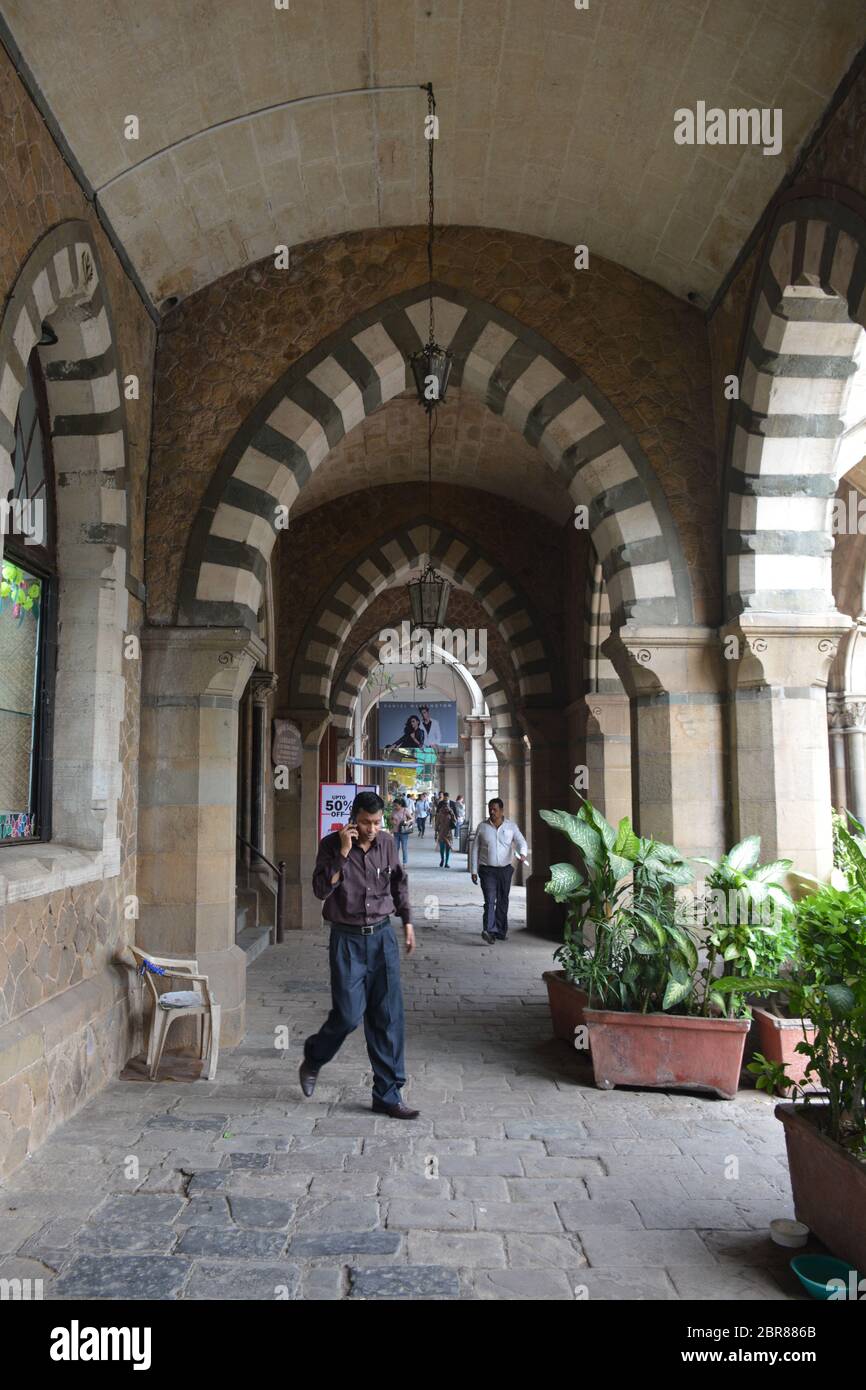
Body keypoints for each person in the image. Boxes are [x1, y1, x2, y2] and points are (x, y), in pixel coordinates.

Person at [300, 790, 419, 1119]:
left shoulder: (387, 843)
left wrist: (407, 921)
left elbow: (399, 884)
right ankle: (314, 1056)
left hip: (382, 938)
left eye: (377, 822)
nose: (372, 829)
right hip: (347, 941)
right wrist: (343, 852)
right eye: (366, 822)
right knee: (348, 1015)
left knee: (387, 1017)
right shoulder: (331, 845)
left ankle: (388, 1093)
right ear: (354, 819)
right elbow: (320, 890)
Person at [470, 797, 528, 944]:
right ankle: (489, 931)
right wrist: (474, 870)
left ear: (502, 810)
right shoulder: (482, 827)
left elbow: (521, 841)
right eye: (490, 808)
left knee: (503, 900)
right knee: (489, 900)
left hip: (505, 870)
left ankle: (501, 931)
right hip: (487, 870)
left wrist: (523, 853)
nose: (492, 811)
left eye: (495, 809)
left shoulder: (511, 827)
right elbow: (475, 848)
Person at [435, 794, 456, 868]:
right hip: (441, 833)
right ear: (442, 807)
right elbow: (437, 824)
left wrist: (452, 813)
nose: (446, 808)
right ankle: (442, 859)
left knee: (448, 848)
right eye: (445, 806)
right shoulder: (440, 814)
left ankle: (446, 862)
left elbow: (454, 821)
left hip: (449, 833)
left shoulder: (450, 813)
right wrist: (435, 833)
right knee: (442, 848)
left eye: (447, 806)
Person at [391, 796, 413, 864]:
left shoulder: (405, 810)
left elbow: (412, 818)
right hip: (396, 831)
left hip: (404, 832)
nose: (395, 807)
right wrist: (392, 821)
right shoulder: (393, 811)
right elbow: (391, 818)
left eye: (396, 805)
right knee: (395, 848)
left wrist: (407, 822)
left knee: (404, 848)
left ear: (400, 805)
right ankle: (396, 862)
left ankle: (404, 862)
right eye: (394, 805)